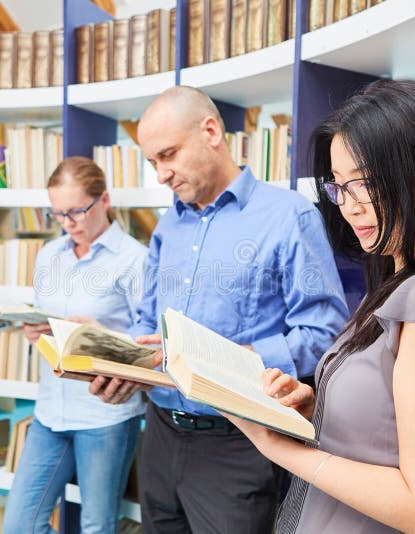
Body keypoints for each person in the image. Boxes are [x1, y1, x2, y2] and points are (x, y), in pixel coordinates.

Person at [223, 79, 415, 533]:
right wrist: (316, 410)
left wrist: (277, 447)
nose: (350, 207)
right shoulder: (400, 281)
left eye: (365, 184)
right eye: (339, 187)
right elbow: (388, 429)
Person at [90, 86, 349, 533]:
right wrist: (121, 362)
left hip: (239, 444)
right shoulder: (168, 226)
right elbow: (146, 323)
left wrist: (227, 360)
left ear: (211, 131)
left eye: (168, 154)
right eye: (152, 161)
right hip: (159, 435)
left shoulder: (289, 216)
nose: (161, 175)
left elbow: (325, 331)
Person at [3, 157, 147, 534]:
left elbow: (150, 343)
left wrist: (102, 335)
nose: (68, 223)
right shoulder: (50, 255)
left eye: (76, 212)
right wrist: (37, 331)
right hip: (50, 410)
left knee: (97, 528)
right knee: (21, 525)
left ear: (104, 201)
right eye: (58, 214)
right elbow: (47, 320)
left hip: (105, 416)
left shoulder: (135, 260)